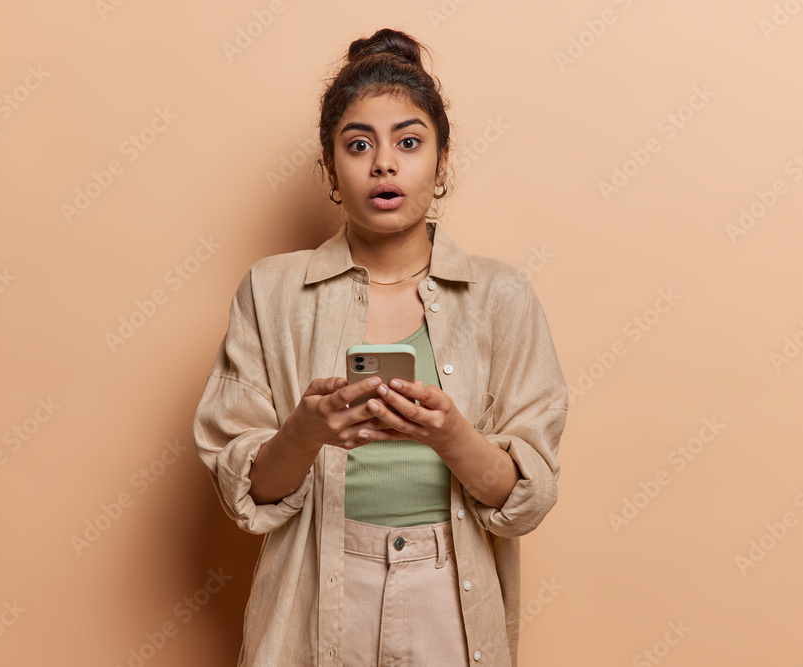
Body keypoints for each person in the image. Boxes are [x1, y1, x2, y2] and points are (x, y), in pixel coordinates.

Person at [193, 28, 568, 667]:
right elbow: (247, 494)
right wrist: (305, 432)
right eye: (359, 144)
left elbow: (525, 500)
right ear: (329, 166)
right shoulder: (270, 291)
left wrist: (452, 435)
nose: (384, 164)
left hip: (450, 594)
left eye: (409, 142)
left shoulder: (502, 296)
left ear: (441, 162)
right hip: (319, 586)